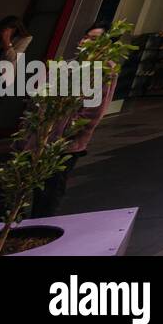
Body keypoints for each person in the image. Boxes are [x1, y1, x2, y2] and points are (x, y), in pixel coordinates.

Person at [30, 23, 117, 218]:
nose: (86, 42)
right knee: (31, 186)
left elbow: (94, 110)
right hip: (43, 136)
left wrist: (68, 131)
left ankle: (41, 229)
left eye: (94, 39)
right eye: (86, 37)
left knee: (50, 191)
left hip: (66, 141)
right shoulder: (70, 64)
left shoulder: (104, 71)